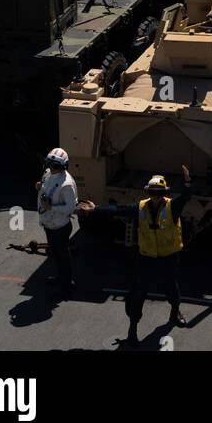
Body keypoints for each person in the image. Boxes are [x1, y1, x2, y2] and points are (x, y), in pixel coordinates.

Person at [81, 169, 191, 346]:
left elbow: (186, 196)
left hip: (167, 257)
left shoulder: (173, 207)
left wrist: (187, 182)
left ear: (165, 193)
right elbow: (118, 210)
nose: (155, 196)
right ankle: (132, 329)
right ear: (148, 192)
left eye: (159, 193)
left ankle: (175, 312)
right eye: (152, 192)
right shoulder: (140, 208)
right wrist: (96, 209)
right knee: (137, 294)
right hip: (146, 258)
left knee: (171, 288)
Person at [36, 147, 78, 296]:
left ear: (63, 167)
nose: (52, 169)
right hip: (49, 223)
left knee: (63, 256)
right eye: (50, 165)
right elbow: (46, 190)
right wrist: (40, 187)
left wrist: (51, 207)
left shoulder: (67, 184)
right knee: (55, 254)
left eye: (55, 166)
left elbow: (70, 208)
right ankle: (60, 278)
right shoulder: (48, 175)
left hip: (60, 226)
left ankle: (66, 286)